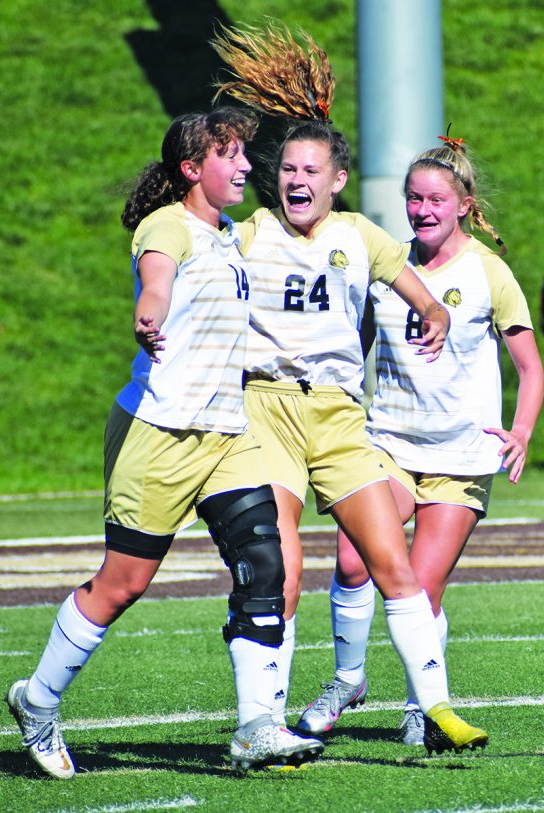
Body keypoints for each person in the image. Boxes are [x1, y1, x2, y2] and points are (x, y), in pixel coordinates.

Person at [6, 108, 324, 778]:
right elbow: (156, 283)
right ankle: (37, 701)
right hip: (159, 431)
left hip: (225, 434)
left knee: (264, 564)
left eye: (243, 153)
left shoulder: (232, 233)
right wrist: (147, 315)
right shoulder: (165, 226)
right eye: (230, 154)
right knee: (123, 584)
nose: (244, 165)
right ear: (191, 167)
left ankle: (257, 725)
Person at [210, 22, 489, 754]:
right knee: (281, 562)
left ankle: (436, 707)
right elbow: (196, 272)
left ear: (336, 179)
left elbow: (420, 292)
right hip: (267, 408)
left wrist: (432, 316)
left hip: (339, 416)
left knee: (389, 562)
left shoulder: (362, 235)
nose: (296, 180)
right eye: (288, 170)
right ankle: (261, 720)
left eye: (312, 170)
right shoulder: (250, 235)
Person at [296, 133, 544, 745]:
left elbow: (531, 368)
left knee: (422, 589)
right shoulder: (389, 268)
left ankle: (421, 705)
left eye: (434, 199)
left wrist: (521, 431)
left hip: (460, 456)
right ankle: (348, 679)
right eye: (413, 199)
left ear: (463, 203)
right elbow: (352, 348)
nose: (422, 210)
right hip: (388, 445)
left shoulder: (489, 272)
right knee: (355, 560)